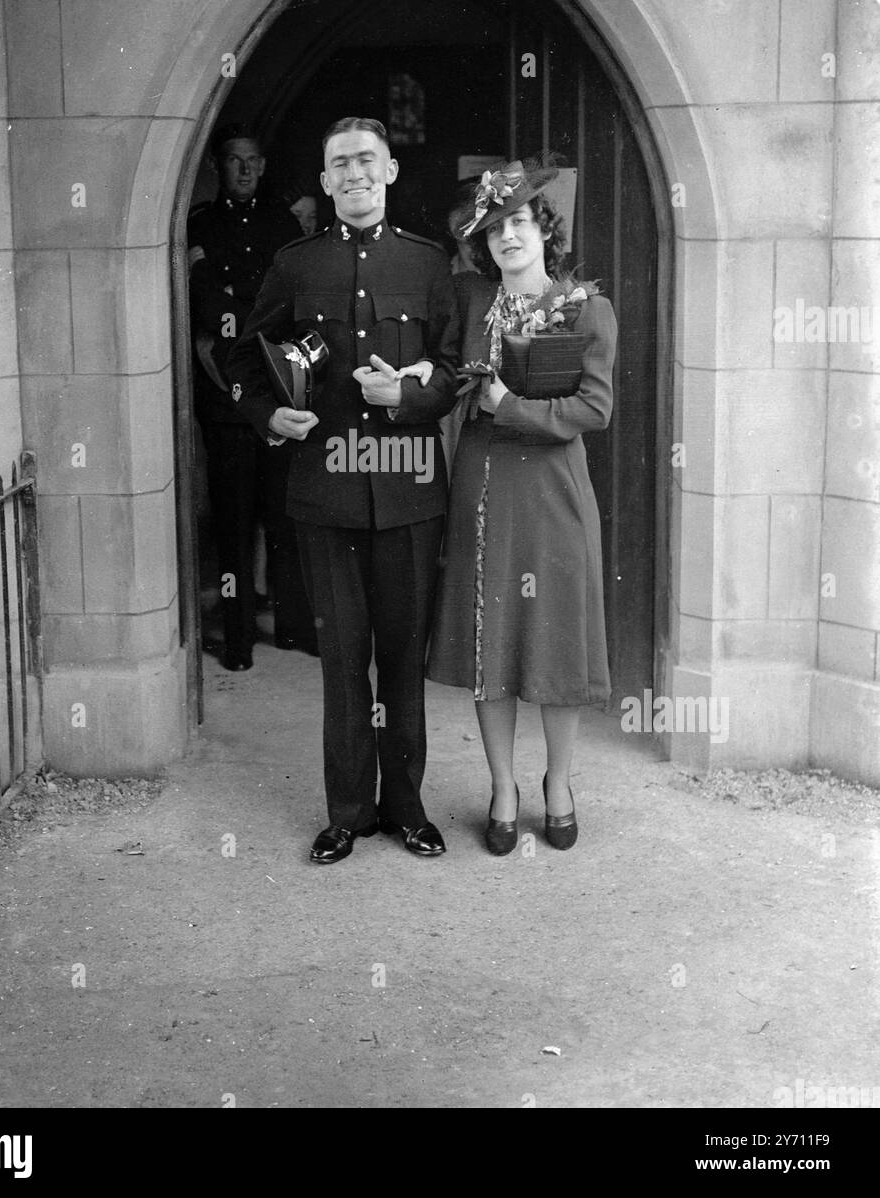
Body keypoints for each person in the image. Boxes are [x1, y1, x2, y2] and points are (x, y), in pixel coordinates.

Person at [227, 117, 459, 864]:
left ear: (389, 172)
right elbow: (240, 360)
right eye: (339, 165)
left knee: (400, 656)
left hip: (407, 497)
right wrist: (270, 416)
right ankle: (347, 813)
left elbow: (454, 373)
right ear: (324, 183)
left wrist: (408, 398)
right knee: (341, 659)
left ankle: (408, 808)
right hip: (325, 493)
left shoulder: (428, 265)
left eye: (367, 161)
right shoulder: (295, 265)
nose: (354, 174)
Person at [426, 159, 617, 855]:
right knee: (492, 640)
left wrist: (513, 406)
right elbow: (446, 374)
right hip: (484, 488)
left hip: (556, 489)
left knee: (556, 638)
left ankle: (558, 782)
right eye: (494, 228)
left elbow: (594, 408)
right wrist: (422, 382)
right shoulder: (472, 300)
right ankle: (503, 786)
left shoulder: (585, 307)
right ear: (481, 245)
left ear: (543, 228)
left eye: (518, 222)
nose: (508, 236)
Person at [188, 126, 317, 670]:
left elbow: (293, 299)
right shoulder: (199, 224)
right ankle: (238, 640)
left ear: (264, 167)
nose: (244, 170)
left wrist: (240, 304)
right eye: (234, 161)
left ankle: (290, 626)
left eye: (252, 161)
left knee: (285, 517)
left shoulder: (283, 225)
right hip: (224, 398)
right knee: (234, 523)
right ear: (219, 167)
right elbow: (198, 297)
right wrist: (250, 306)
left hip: (276, 391)